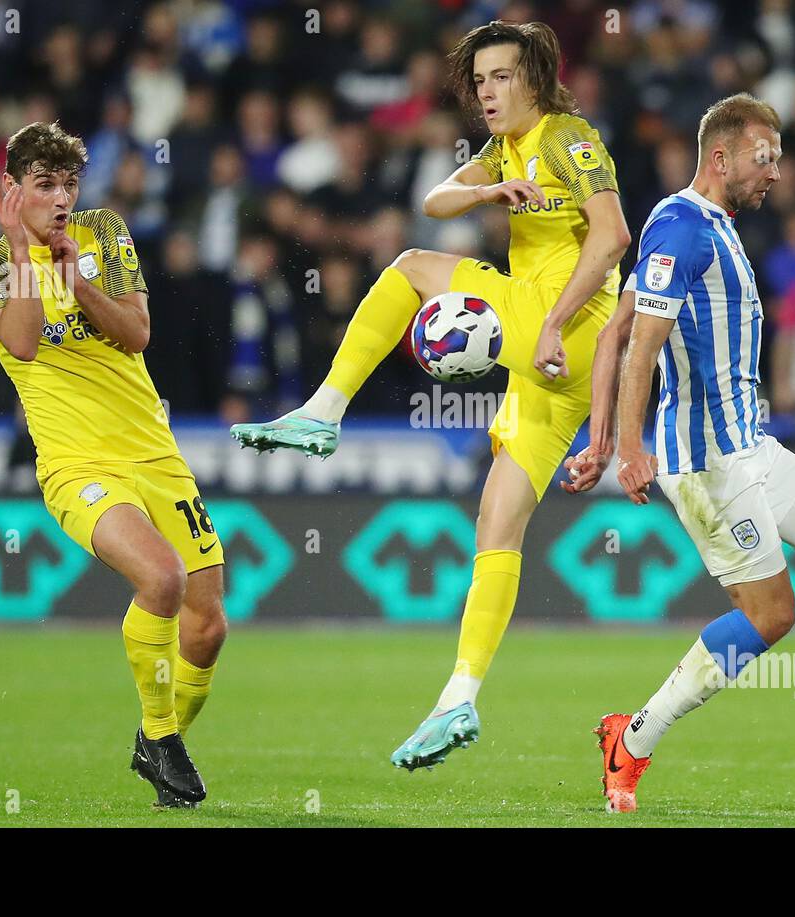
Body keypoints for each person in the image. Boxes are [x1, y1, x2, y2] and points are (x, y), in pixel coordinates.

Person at [231, 20, 632, 770]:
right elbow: (437, 196)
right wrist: (490, 189)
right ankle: (460, 696)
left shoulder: (566, 137)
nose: (486, 90)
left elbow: (613, 237)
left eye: (502, 77)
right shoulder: (504, 151)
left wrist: (550, 321)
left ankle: (325, 409)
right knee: (497, 525)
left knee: (413, 267)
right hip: (552, 362)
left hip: (566, 328)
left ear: (535, 82)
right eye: (479, 80)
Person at [563, 93, 795, 813]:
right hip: (706, 460)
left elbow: (611, 332)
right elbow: (641, 344)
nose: (777, 173)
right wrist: (629, 446)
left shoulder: (709, 228)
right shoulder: (680, 225)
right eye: (767, 157)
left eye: (781, 159)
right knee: (770, 614)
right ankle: (632, 739)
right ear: (721, 156)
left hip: (751, 443)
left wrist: (600, 437)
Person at [0, 122, 227, 808]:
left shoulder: (103, 234)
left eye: (69, 183)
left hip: (155, 451)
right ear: (11, 189)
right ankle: (164, 737)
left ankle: (152, 739)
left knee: (207, 624)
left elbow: (137, 333)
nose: (60, 198)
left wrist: (74, 275)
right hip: (77, 463)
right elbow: (21, 342)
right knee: (161, 576)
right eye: (44, 184)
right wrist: (25, 251)